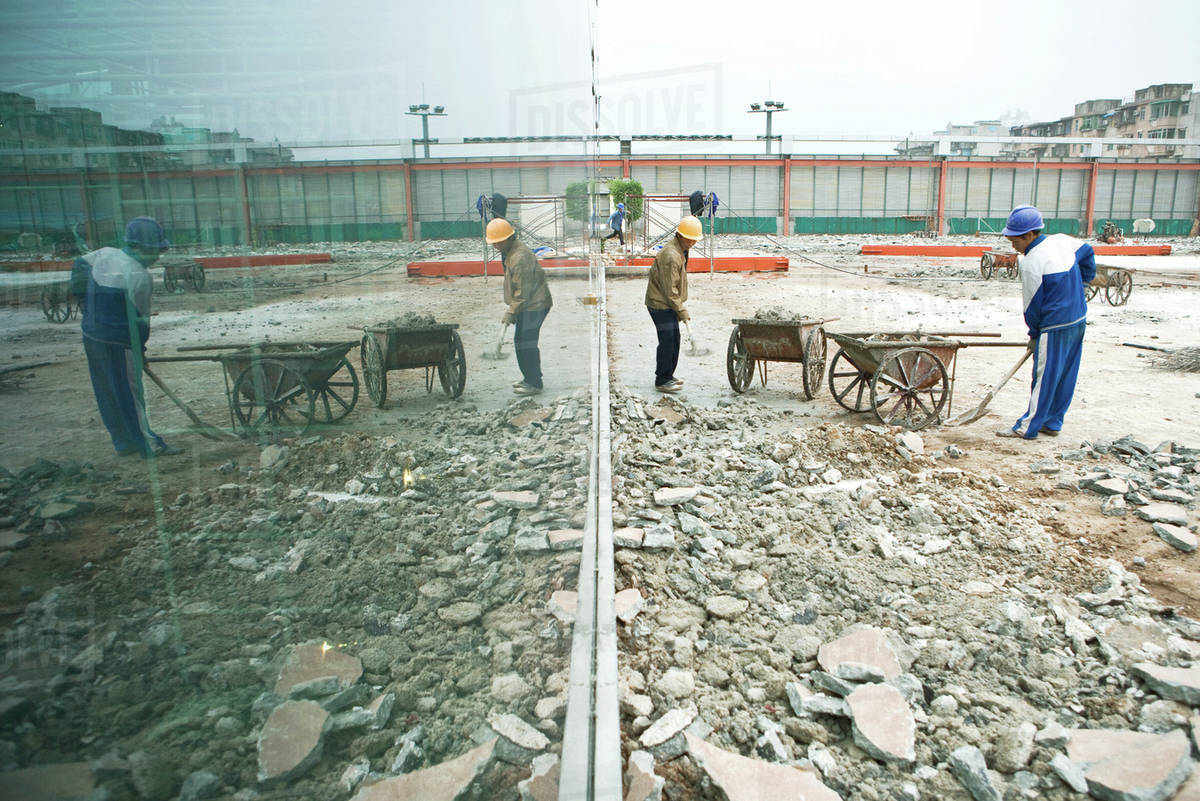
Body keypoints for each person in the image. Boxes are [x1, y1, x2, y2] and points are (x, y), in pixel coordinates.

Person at [71, 216, 182, 458]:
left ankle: (124, 443)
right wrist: (139, 351)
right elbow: (141, 322)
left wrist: (86, 307)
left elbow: (78, 266)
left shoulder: (103, 254)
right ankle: (148, 444)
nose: (157, 257)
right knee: (131, 394)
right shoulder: (140, 277)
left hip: (92, 336)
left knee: (108, 391)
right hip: (120, 342)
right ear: (140, 247)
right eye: (155, 251)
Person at [996, 204, 1095, 439]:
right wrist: (1083, 285)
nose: (1013, 245)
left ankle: (1027, 427)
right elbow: (1088, 252)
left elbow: (1032, 306)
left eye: (1015, 240)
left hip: (1054, 325)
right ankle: (1052, 422)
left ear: (1030, 235)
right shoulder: (1062, 241)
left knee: (1045, 376)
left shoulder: (1032, 262)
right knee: (1065, 373)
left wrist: (1034, 334)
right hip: (1078, 318)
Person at [486, 217, 553, 396]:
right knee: (521, 341)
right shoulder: (510, 251)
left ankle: (534, 383)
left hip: (535, 305)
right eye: (494, 243)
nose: (496, 246)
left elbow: (523, 293)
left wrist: (510, 314)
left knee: (526, 343)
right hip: (528, 304)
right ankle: (530, 377)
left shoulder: (519, 257)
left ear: (508, 238)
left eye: (498, 243)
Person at [645, 215, 702, 393]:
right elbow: (670, 290)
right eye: (690, 239)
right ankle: (662, 380)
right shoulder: (671, 256)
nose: (692, 243)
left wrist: (678, 307)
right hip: (660, 304)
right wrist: (682, 310)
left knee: (674, 339)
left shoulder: (681, 249)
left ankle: (668, 376)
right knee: (667, 341)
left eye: (695, 240)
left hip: (668, 303)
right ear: (680, 235)